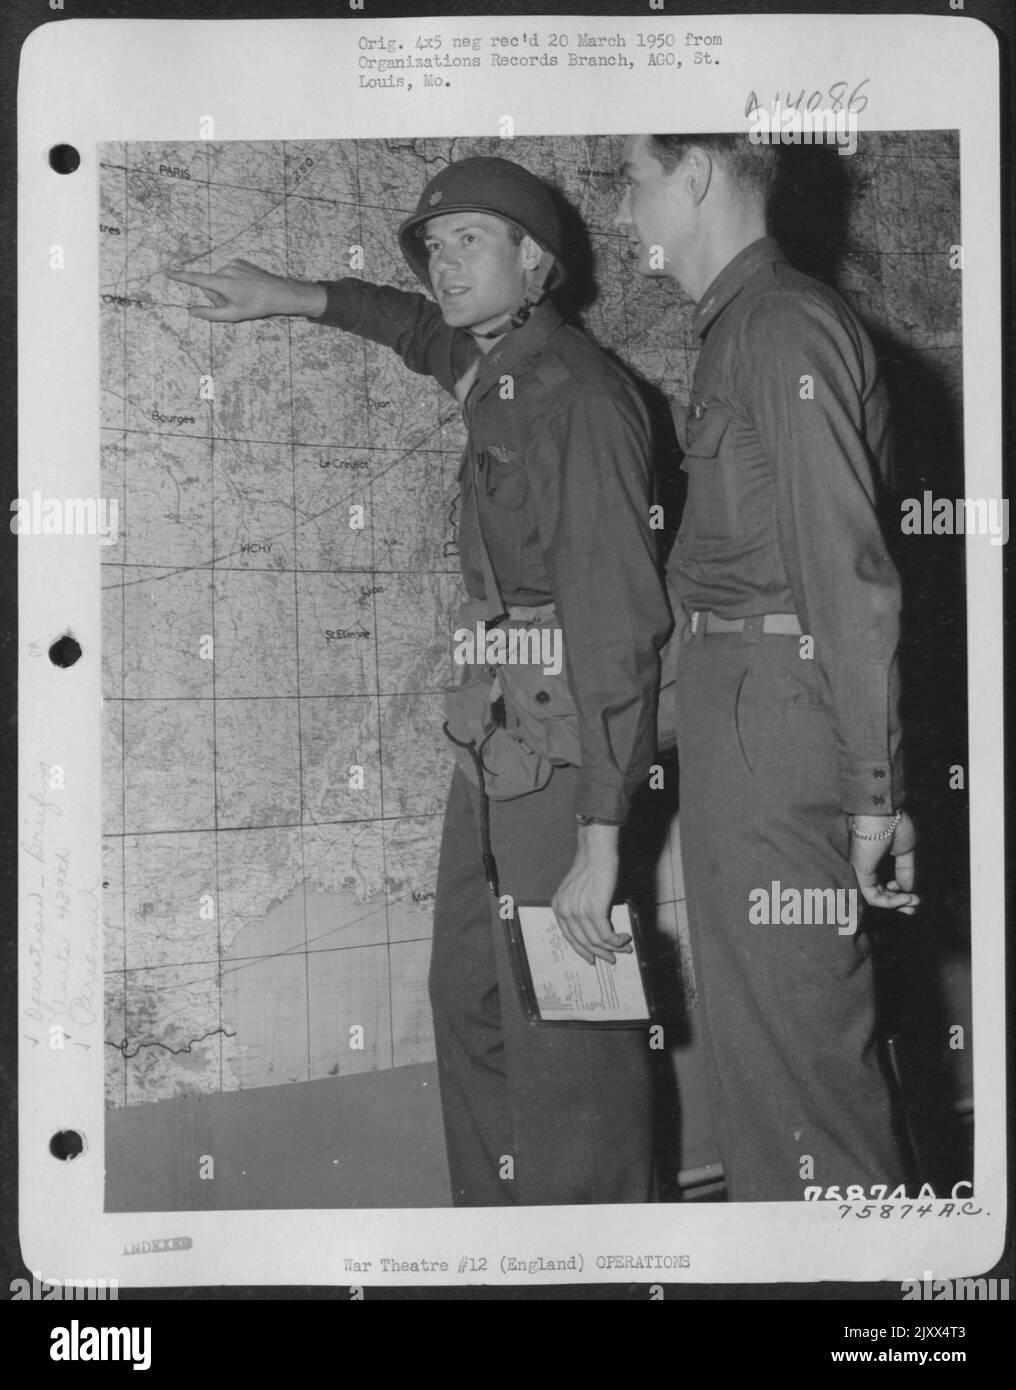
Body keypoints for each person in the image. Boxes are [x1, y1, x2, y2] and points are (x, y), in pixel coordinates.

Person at [167, 156, 672, 1206]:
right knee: (472, 996)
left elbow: (619, 624)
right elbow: (409, 328)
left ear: (536, 262)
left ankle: (600, 1264)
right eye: (435, 249)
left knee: (570, 1027)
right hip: (493, 734)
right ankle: (498, 1246)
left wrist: (600, 836)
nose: (444, 267)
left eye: (469, 244)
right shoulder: (496, 364)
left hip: (568, 742)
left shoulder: (579, 396)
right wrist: (289, 299)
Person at [614, 133, 920, 1202]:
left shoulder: (781, 325)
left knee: (801, 1087)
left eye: (632, 181)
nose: (621, 216)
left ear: (693, 176)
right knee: (780, 1071)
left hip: (774, 730)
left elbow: (845, 573)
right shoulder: (742, 328)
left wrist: (873, 795)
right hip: (739, 715)